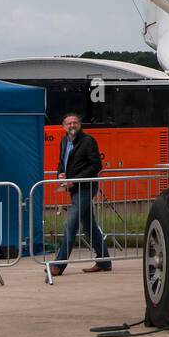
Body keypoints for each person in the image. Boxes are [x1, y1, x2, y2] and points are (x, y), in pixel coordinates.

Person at [54, 114, 111, 274]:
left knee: (70, 224)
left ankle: (58, 265)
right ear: (64, 126)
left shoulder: (88, 141)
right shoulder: (64, 141)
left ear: (80, 125)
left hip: (85, 187)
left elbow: (95, 165)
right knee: (89, 227)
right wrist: (60, 174)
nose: (72, 125)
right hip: (73, 188)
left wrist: (76, 179)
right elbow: (61, 163)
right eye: (69, 123)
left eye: (75, 122)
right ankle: (104, 262)